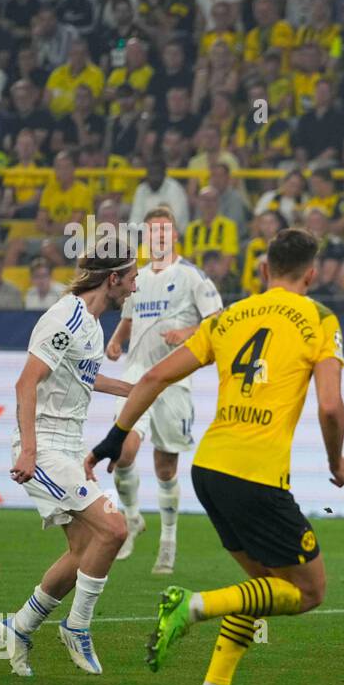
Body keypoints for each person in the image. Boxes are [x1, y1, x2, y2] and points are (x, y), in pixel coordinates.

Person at [86, 229, 344, 685]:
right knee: (310, 592)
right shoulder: (319, 318)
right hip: (256, 475)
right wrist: (337, 462)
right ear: (312, 275)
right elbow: (331, 405)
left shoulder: (229, 317)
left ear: (265, 269)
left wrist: (111, 440)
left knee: (264, 585)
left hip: (209, 470)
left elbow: (152, 378)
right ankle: (193, 605)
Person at [0, 254, 138, 679]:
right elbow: (26, 382)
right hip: (43, 449)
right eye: (130, 280)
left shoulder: (92, 325)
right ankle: (77, 626)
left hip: (68, 449)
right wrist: (28, 452)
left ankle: (18, 627)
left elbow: (84, 378)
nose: (134, 289)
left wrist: (137, 389)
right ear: (112, 279)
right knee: (114, 529)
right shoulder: (66, 318)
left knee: (82, 552)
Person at [104, 207, 223, 574]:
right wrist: (115, 341)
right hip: (137, 377)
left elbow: (217, 320)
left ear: (174, 237)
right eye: (152, 230)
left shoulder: (191, 277)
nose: (158, 236)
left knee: (165, 464)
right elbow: (128, 316)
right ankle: (133, 519)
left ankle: (168, 540)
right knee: (122, 451)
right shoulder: (136, 278)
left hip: (174, 380)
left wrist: (186, 334)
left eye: (164, 231)